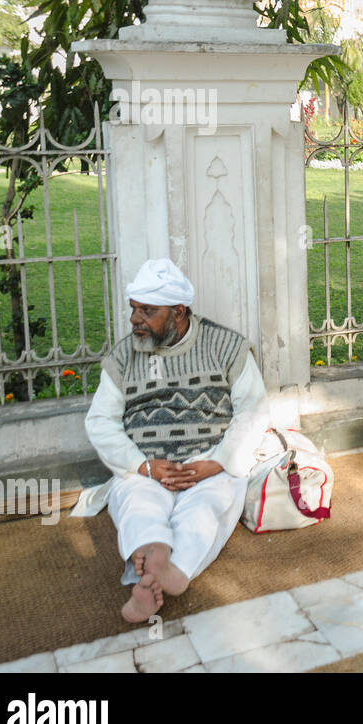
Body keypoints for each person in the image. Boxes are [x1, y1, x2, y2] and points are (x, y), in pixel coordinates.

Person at [74, 258, 269, 623]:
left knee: (209, 505)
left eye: (147, 311)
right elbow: (100, 420)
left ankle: (165, 573)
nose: (135, 320)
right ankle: (157, 555)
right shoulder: (124, 356)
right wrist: (142, 466)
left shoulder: (225, 346)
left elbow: (253, 411)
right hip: (147, 466)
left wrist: (217, 461)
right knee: (136, 500)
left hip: (209, 462)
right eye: (134, 309)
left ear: (178, 312)